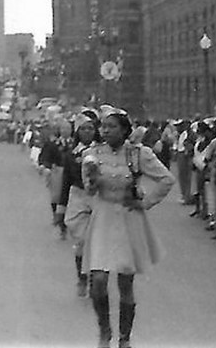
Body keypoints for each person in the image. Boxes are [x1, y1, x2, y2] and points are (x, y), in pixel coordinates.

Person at [82, 109, 175, 348]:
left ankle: (125, 337)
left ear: (125, 130)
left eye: (112, 126)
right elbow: (89, 191)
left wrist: (144, 202)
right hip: (103, 217)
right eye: (103, 126)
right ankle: (105, 331)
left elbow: (166, 179)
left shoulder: (138, 154)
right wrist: (92, 178)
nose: (106, 131)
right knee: (99, 278)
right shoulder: (91, 154)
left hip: (128, 218)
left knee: (125, 279)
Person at [59, 109, 100, 297]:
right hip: (78, 197)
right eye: (83, 129)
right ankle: (82, 278)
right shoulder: (70, 154)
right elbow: (66, 181)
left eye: (91, 128)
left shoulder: (103, 151)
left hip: (100, 198)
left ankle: (95, 279)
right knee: (82, 241)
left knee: (99, 241)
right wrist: (61, 207)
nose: (87, 132)